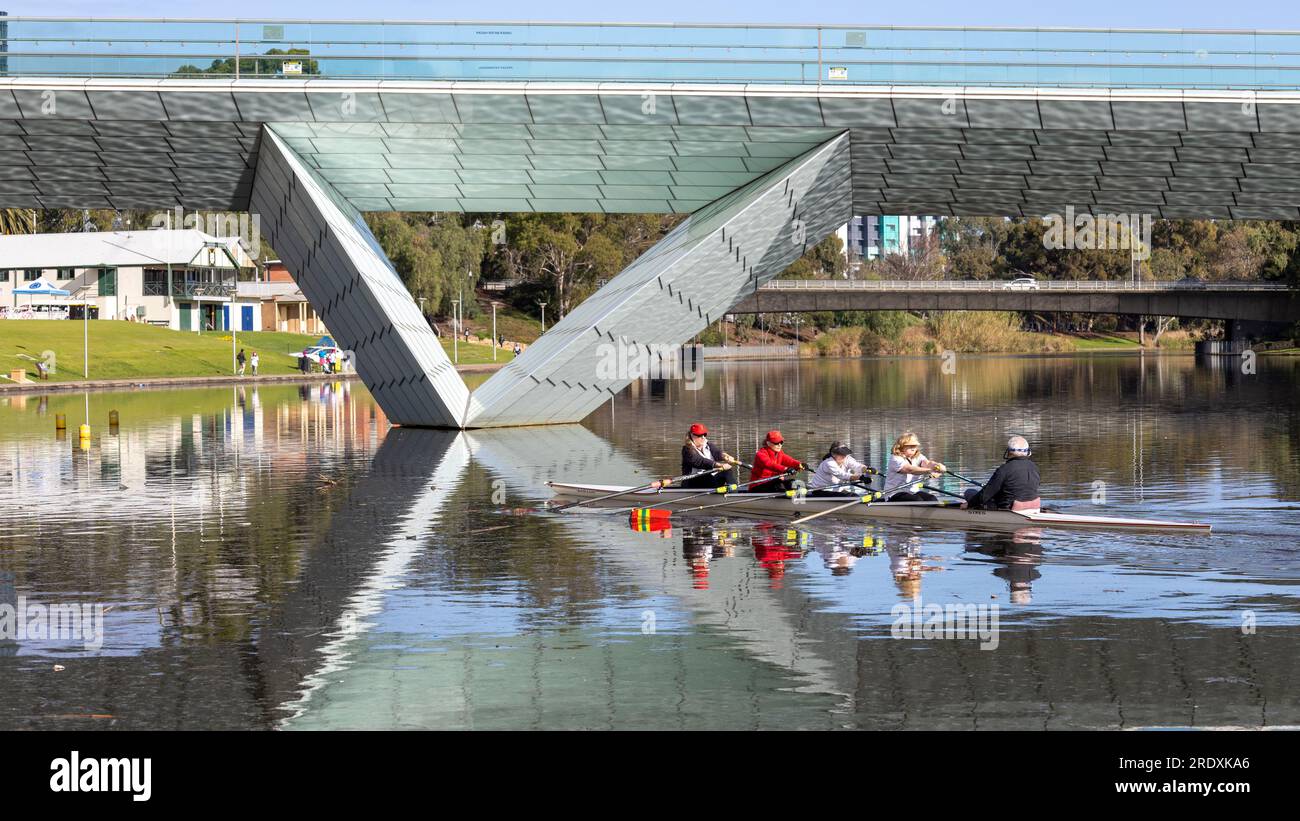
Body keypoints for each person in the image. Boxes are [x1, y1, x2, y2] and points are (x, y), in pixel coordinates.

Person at [962, 436, 1042, 511]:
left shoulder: (1004, 470)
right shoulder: (1035, 467)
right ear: (1027, 451)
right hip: (1034, 506)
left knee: (969, 492)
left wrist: (969, 504)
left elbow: (984, 497)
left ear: (1009, 452)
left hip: (1010, 509)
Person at [883, 431, 946, 502]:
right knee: (917, 500)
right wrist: (929, 470)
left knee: (932, 498)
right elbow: (909, 469)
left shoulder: (919, 457)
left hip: (913, 492)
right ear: (901, 446)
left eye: (915, 446)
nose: (913, 448)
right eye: (910, 446)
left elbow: (928, 464)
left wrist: (937, 466)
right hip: (894, 494)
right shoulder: (895, 458)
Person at [679, 423, 738, 488]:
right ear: (692, 435)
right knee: (711, 473)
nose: (703, 437)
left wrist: (727, 457)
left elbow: (717, 453)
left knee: (727, 471)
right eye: (700, 435)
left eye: (704, 434)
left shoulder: (708, 445)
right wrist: (720, 465)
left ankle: (734, 491)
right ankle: (733, 495)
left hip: (708, 480)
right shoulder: (687, 450)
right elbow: (700, 461)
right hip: (692, 483)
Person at [808, 441, 874, 497]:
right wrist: (861, 478)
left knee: (856, 495)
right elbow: (843, 475)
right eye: (841, 454)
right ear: (833, 454)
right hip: (821, 490)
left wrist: (867, 469)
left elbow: (857, 466)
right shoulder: (829, 463)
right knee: (851, 497)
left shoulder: (846, 458)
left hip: (836, 488)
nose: (844, 456)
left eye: (845, 453)